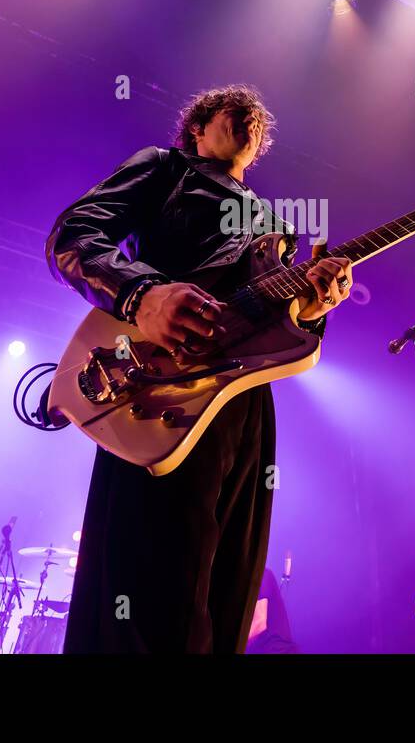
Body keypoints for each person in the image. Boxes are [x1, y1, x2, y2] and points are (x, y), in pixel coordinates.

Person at [46, 84, 351, 653]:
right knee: (152, 580)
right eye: (234, 113)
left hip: (243, 400)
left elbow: (281, 325)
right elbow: (73, 236)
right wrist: (142, 295)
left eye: (258, 121)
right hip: (157, 385)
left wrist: (311, 308)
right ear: (196, 129)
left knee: (225, 588)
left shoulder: (271, 224)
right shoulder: (164, 169)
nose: (251, 121)